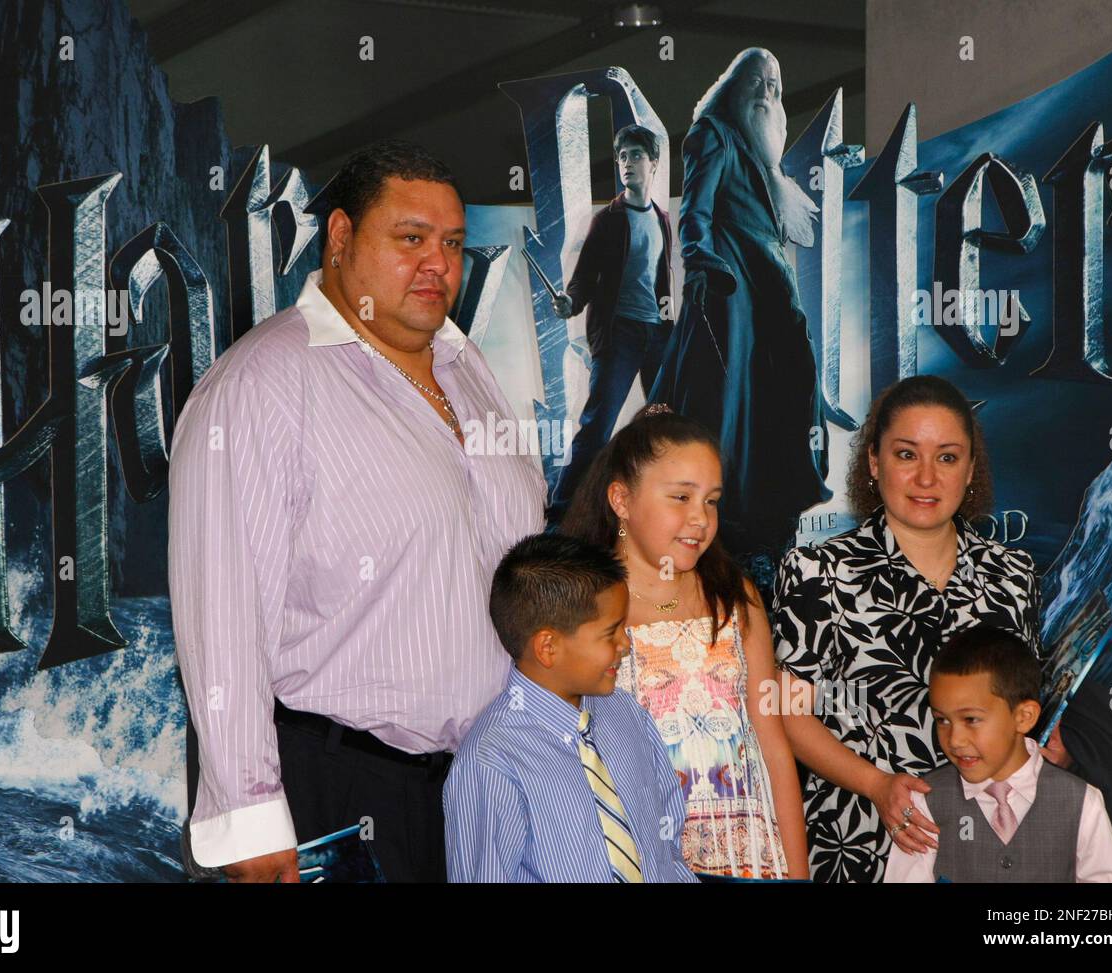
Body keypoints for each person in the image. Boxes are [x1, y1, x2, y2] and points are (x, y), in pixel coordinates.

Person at [168, 139, 546, 883]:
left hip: (482, 788)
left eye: (453, 244)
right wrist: (251, 818)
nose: (438, 264)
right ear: (340, 237)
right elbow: (223, 612)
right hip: (335, 794)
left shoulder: (468, 368)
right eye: (411, 239)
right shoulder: (264, 382)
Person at [772, 375, 1040, 883]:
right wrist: (877, 785)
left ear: (970, 470)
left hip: (993, 844)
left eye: (946, 457)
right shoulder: (817, 571)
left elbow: (1024, 703)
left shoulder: (1015, 574)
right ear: (874, 462)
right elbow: (786, 712)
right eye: (906, 454)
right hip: (860, 839)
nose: (926, 478)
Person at [561, 404, 809, 879]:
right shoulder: (583, 608)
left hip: (749, 859)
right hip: (637, 859)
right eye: (680, 497)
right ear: (621, 500)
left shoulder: (737, 599)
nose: (700, 518)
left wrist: (797, 872)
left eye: (712, 501)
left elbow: (773, 745)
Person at [649, 47, 829, 575]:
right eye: (757, 81)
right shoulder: (713, 134)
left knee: (782, 396)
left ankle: (768, 511)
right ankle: (727, 518)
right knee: (725, 405)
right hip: (734, 296)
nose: (767, 93)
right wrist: (705, 260)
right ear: (734, 84)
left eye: (774, 83)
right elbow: (694, 215)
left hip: (771, 292)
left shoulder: (764, 157)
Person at [443, 533, 697, 883]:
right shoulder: (491, 761)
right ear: (548, 647)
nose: (626, 643)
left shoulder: (624, 714)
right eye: (611, 632)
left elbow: (667, 850)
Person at [884, 626, 1112, 882]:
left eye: (971, 719)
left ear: (1024, 717)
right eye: (942, 720)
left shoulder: (1083, 802)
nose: (955, 740)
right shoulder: (924, 803)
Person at [546, 124, 674, 522]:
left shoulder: (663, 219)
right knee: (597, 425)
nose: (626, 163)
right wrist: (571, 301)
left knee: (663, 424)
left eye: (636, 155)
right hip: (619, 335)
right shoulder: (608, 220)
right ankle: (560, 511)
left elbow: (661, 275)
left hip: (657, 335)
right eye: (621, 157)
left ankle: (655, 504)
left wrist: (668, 309)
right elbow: (585, 277)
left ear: (653, 163)